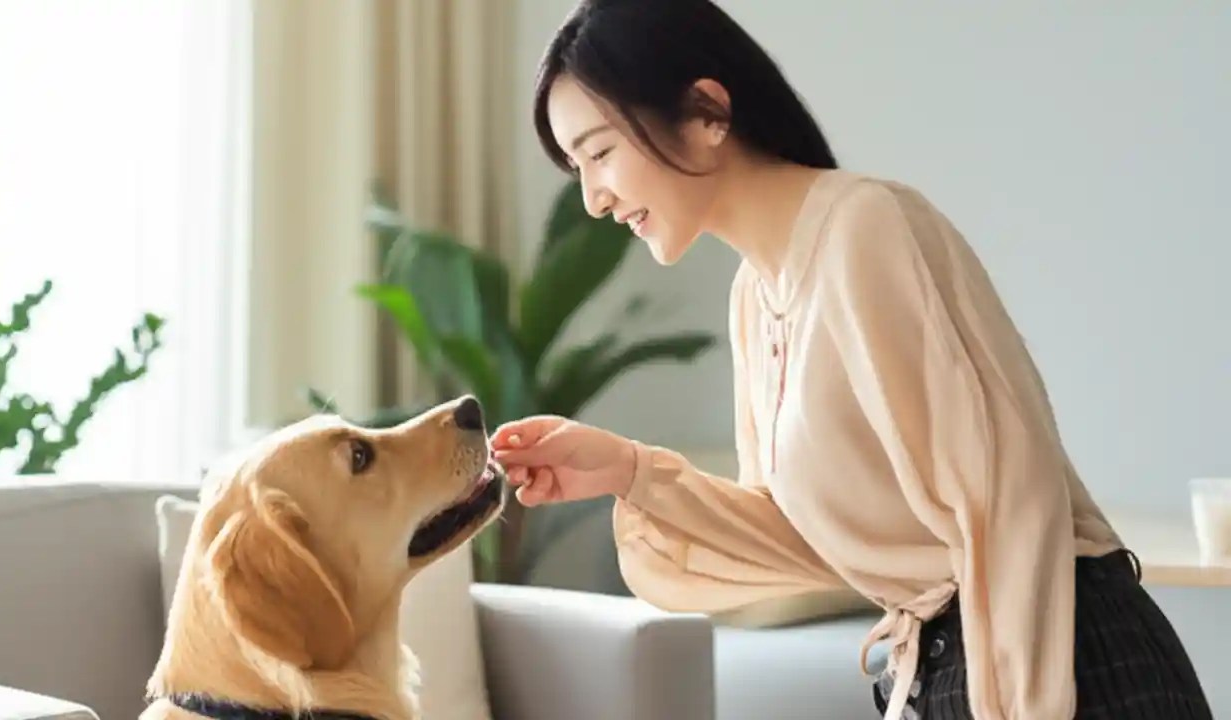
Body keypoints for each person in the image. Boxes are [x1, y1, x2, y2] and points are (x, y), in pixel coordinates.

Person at [490, 1, 1213, 718]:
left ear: (707, 111)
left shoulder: (865, 229)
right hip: (952, 669)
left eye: (599, 153)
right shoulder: (755, 297)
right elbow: (805, 538)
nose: (592, 199)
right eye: (576, 167)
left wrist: (1018, 701)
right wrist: (626, 470)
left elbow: (1004, 502)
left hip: (1063, 663)